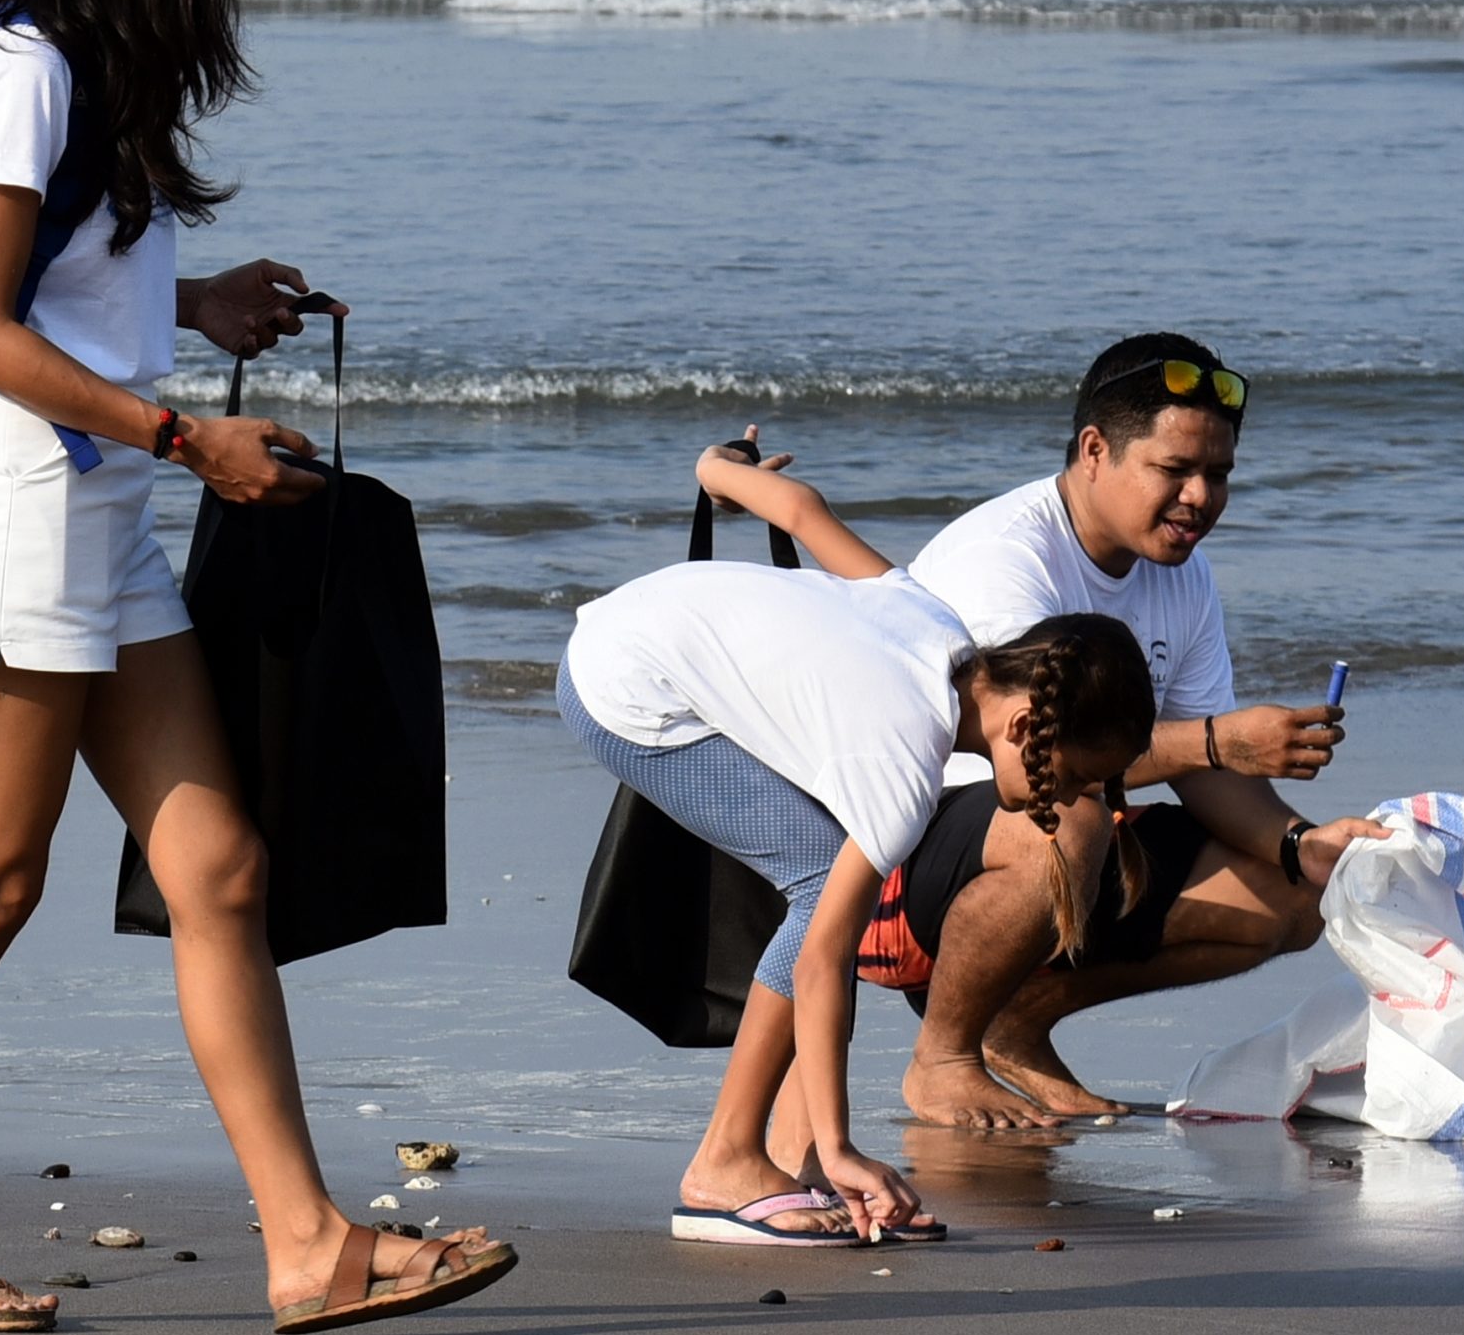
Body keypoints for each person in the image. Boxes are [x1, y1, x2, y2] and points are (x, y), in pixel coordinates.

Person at [0, 0, 514, 1335]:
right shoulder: (22, 71)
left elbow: (60, 296)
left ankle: (308, 1244)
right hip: (13, 514)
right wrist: (192, 434)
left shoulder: (95, 73)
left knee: (219, 866)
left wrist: (196, 307)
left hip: (103, 518)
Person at [557, 435, 1155, 1245]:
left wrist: (716, 470)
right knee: (816, 887)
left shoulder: (935, 624)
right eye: (1081, 778)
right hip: (628, 691)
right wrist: (846, 1144)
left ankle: (795, 1157)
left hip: (644, 624)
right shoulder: (903, 762)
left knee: (821, 868)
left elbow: (804, 513)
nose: (1081, 800)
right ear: (1025, 724)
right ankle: (726, 1165)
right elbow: (822, 959)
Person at [865, 333, 1392, 1130]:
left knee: (1299, 899)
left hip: (1075, 840)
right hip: (916, 866)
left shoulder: (1184, 574)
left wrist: (1299, 845)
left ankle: (1016, 1021)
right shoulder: (1005, 559)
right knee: (1068, 819)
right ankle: (942, 1057)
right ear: (1094, 451)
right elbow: (1036, 760)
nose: (1199, 498)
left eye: (1218, 475)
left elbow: (1205, 773)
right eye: (1174, 470)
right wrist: (1217, 739)